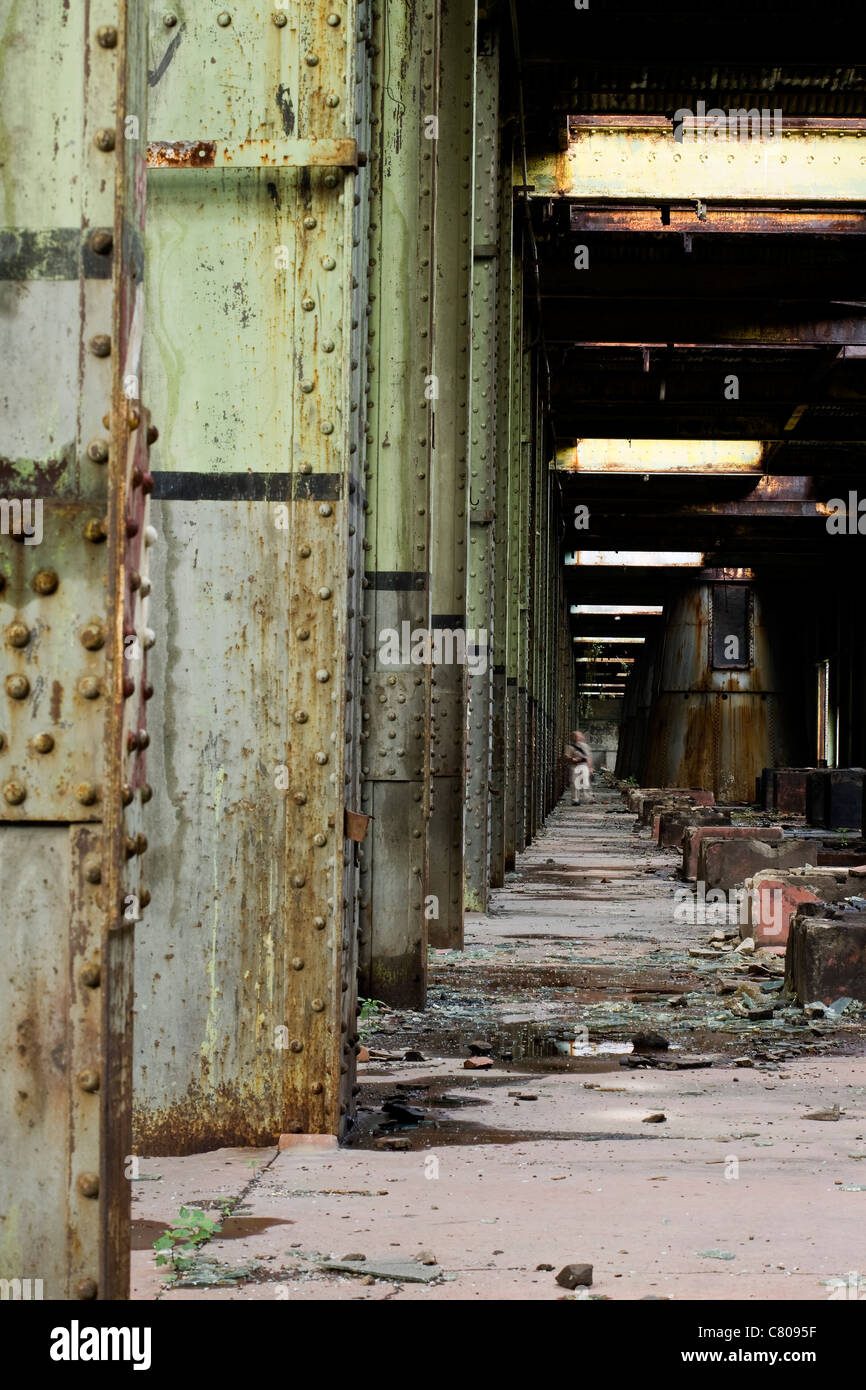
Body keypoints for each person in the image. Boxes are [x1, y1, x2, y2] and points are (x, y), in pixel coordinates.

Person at [565, 729, 594, 805]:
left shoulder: (585, 746)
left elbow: (589, 757)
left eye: (579, 735)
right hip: (574, 766)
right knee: (575, 783)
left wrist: (590, 768)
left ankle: (588, 798)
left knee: (586, 782)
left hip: (584, 765)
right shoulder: (570, 747)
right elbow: (567, 757)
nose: (579, 737)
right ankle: (575, 799)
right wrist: (573, 759)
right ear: (573, 737)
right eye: (577, 736)